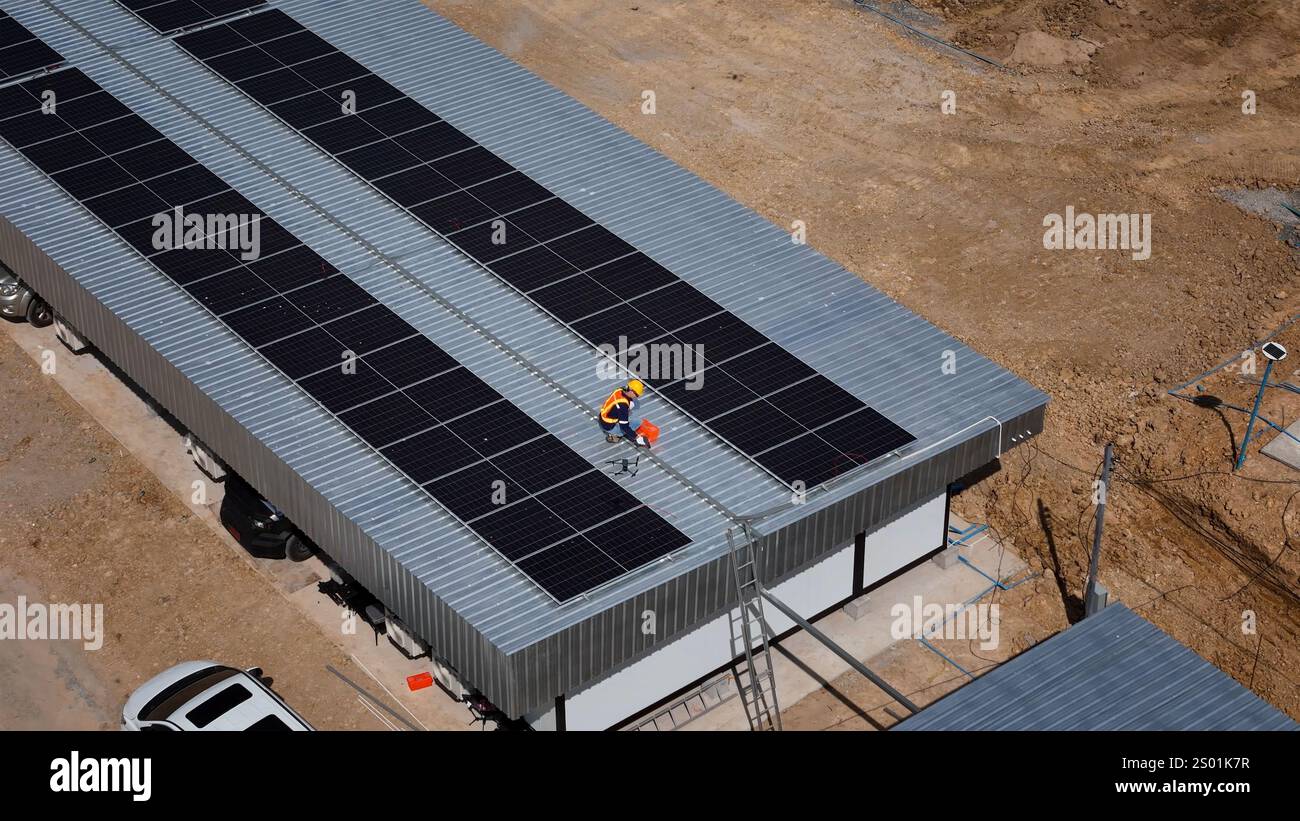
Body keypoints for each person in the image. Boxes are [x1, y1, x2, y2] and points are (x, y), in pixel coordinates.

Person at [599, 379, 651, 447]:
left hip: (603, 416)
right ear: (632, 392)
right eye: (637, 395)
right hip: (608, 427)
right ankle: (615, 435)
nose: (636, 397)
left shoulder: (618, 390)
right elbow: (624, 427)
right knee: (638, 422)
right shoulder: (622, 406)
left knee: (630, 407)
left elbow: (623, 402)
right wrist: (637, 438)